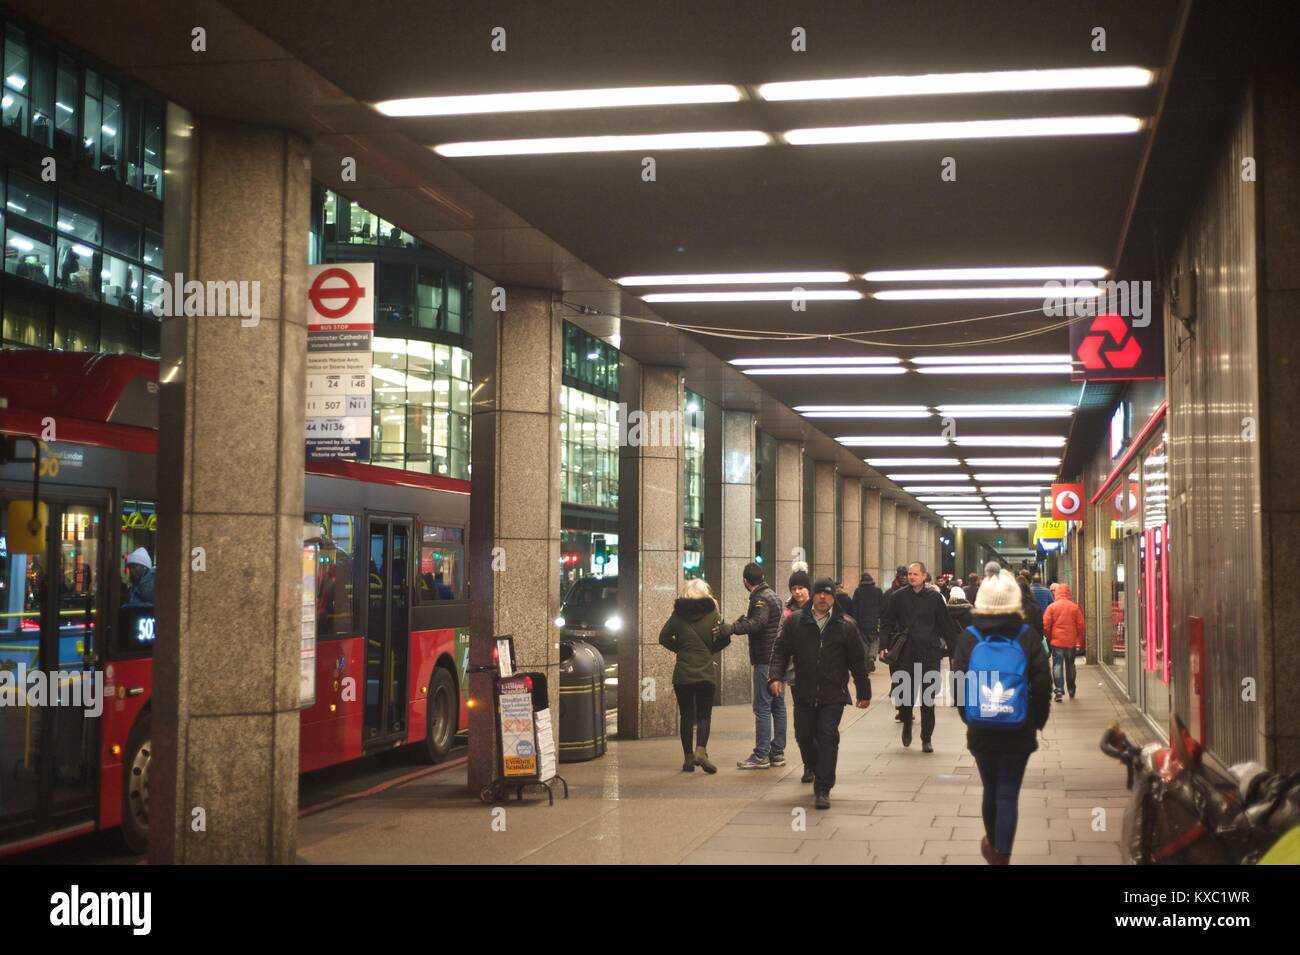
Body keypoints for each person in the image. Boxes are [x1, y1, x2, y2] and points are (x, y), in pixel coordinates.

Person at [951, 569, 1052, 864]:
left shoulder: (969, 637)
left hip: (981, 728)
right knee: (1008, 792)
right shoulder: (1027, 637)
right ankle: (1002, 855)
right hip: (1018, 728)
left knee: (990, 790)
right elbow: (1043, 684)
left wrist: (968, 717)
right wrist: (1037, 720)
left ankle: (993, 843)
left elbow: (958, 682)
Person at [768, 577, 871, 809]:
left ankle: (823, 788)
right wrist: (775, 676)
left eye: (827, 594)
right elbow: (781, 650)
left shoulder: (846, 625)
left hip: (833, 692)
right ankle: (814, 765)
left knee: (827, 735)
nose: (823, 597)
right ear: (813, 596)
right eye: (819, 593)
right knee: (804, 736)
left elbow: (857, 661)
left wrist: (864, 692)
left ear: (834, 597)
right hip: (803, 690)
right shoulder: (795, 621)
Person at [880, 561, 958, 752]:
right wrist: (883, 645)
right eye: (910, 574)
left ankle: (926, 737)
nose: (911, 577)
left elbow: (946, 624)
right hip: (905, 653)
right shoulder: (898, 597)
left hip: (929, 652)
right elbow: (887, 622)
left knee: (928, 698)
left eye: (915, 574)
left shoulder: (935, 598)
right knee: (906, 696)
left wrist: (956, 651)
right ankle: (907, 723)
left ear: (924, 576)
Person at [716, 562, 787, 770]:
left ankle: (761, 754)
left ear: (745, 581)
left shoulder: (761, 599)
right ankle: (777, 753)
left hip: (766, 659)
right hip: (778, 658)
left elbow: (759, 623)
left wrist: (732, 628)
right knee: (778, 706)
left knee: (763, 707)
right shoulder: (772, 594)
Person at [658, 578, 730, 773]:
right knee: (704, 715)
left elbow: (662, 637)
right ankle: (701, 750)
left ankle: (688, 759)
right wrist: (709, 650)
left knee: (686, 715)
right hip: (705, 672)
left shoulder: (678, 614)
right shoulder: (713, 613)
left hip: (683, 674)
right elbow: (725, 639)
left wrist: (680, 649)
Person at [1042, 582, 1086, 702]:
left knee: (1057, 666)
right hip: (1071, 642)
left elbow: (1046, 625)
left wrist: (1050, 638)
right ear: (1068, 593)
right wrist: (1078, 639)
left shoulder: (1052, 607)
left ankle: (1059, 691)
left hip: (1057, 642)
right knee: (1070, 664)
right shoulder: (1074, 607)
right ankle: (1071, 688)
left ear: (1057, 593)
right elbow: (1081, 625)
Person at [851, 572, 883, 668]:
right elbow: (882, 606)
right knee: (874, 640)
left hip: (861, 622)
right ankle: (871, 658)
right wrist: (879, 617)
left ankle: (865, 661)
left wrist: (855, 620)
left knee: (864, 642)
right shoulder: (878, 591)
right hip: (874, 621)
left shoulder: (858, 591)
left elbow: (854, 607)